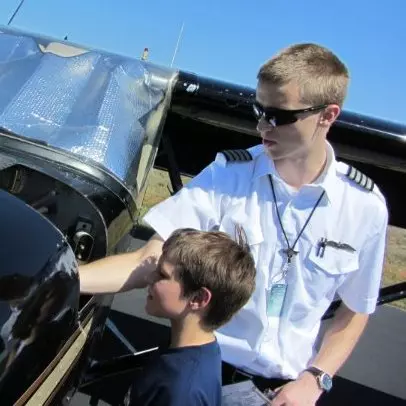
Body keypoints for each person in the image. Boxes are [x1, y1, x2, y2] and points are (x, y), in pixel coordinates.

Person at [79, 43, 388, 406]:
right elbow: (149, 260)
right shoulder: (228, 176)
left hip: (287, 394)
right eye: (259, 110)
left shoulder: (365, 207)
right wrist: (64, 279)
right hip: (205, 377)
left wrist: (316, 379)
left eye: (279, 116)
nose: (262, 126)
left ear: (327, 115)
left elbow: (356, 307)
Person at [123, 227, 256, 405]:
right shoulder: (191, 349)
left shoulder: (182, 391)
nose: (149, 277)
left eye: (162, 274)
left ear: (198, 298)